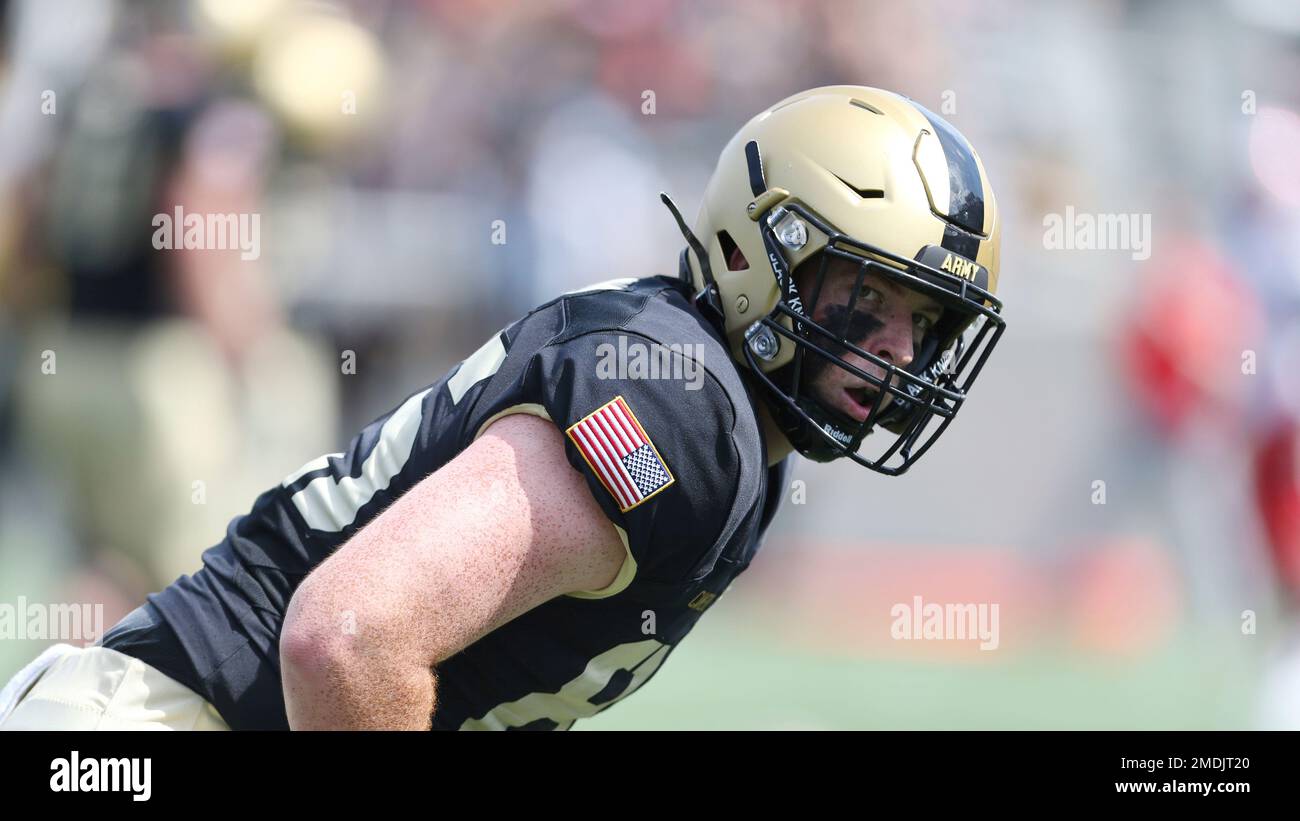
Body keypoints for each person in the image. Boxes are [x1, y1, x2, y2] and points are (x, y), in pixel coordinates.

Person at [0, 85, 1006, 730]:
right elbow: (348, 637)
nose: (897, 350)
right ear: (762, 248)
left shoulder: (715, 405)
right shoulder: (678, 402)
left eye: (927, 320)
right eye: (867, 297)